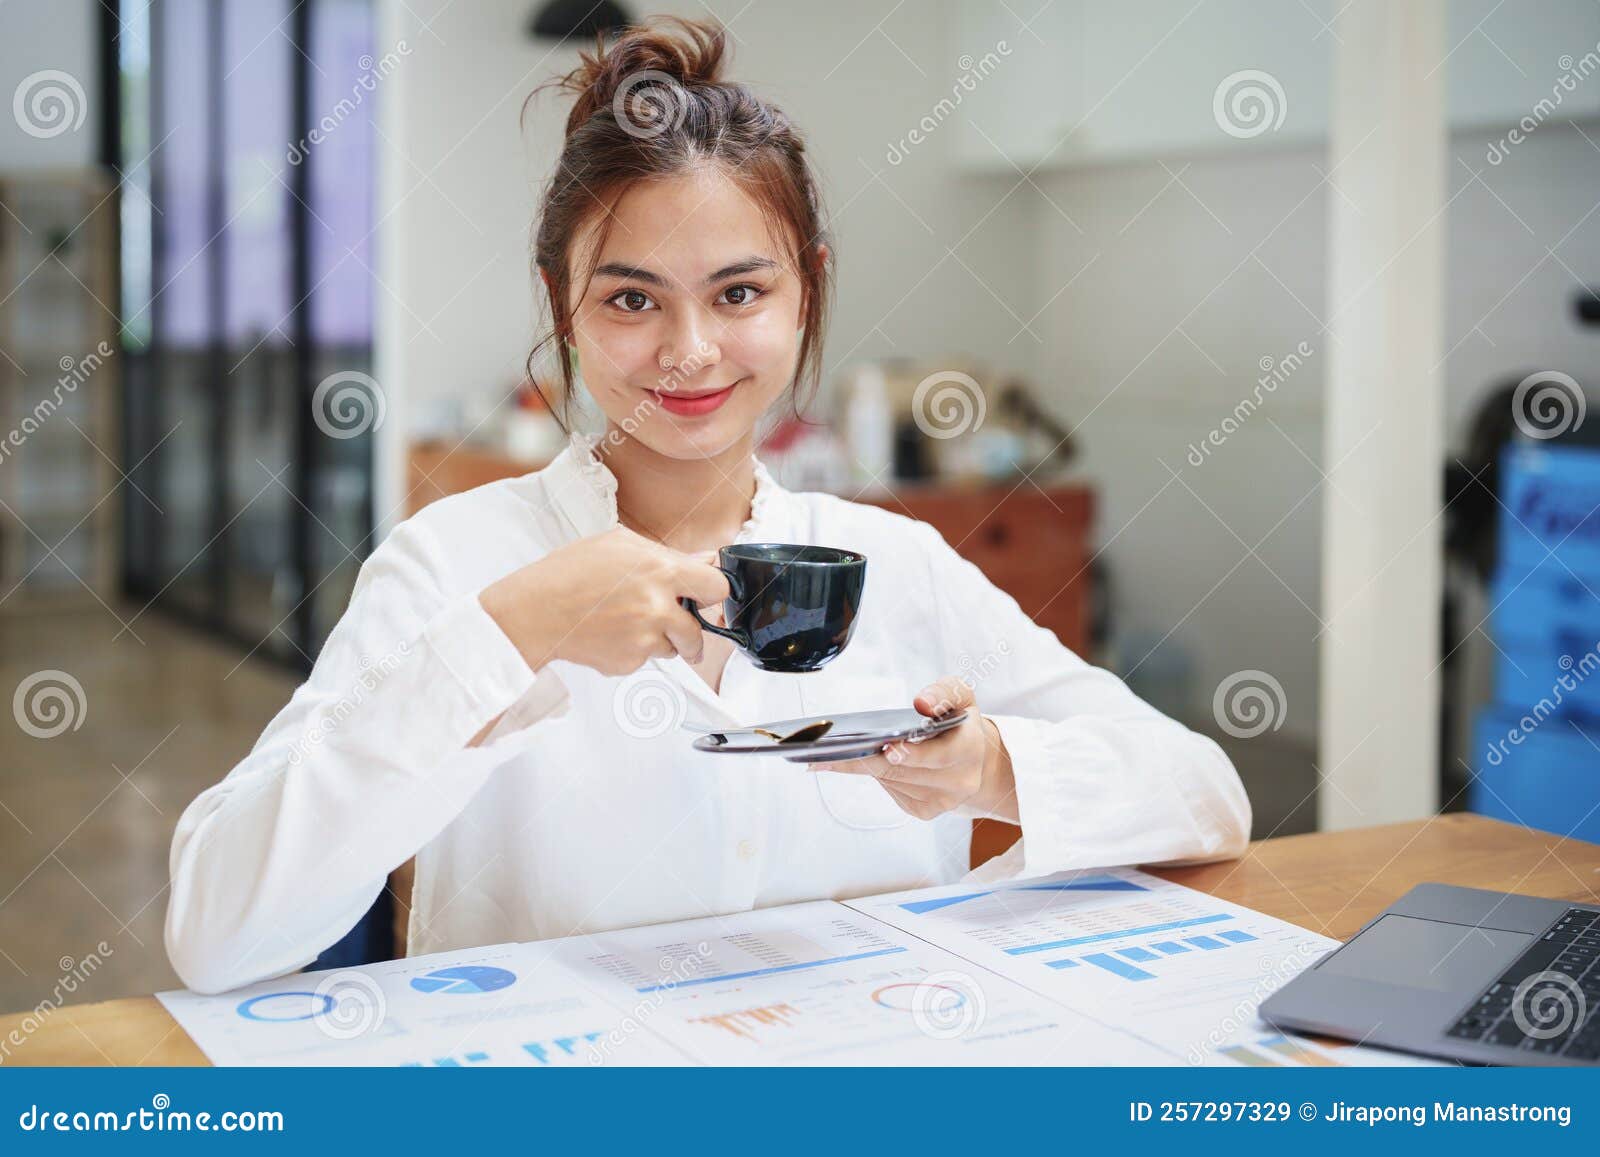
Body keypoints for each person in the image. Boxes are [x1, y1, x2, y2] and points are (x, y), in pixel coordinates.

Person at [165, 17, 1250, 995]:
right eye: (632, 297)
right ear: (565, 306)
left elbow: (1207, 793)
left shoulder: (889, 559)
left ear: (806, 291)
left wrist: (987, 766)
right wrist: (514, 632)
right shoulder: (453, 562)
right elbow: (214, 932)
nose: (688, 352)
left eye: (739, 293)